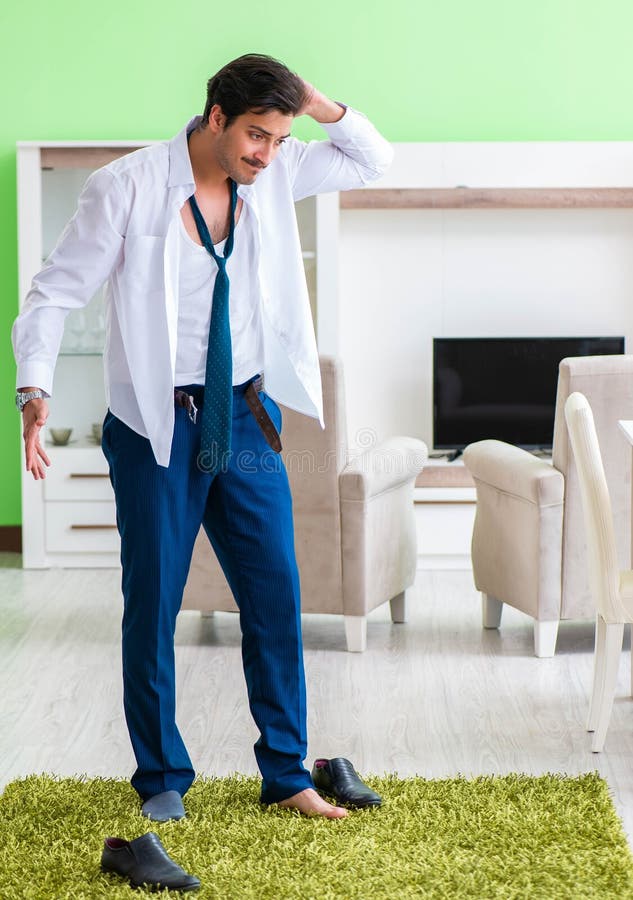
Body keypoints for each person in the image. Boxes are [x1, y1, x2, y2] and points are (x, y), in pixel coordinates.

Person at [12, 53, 393, 821]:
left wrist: (310, 101)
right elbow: (54, 292)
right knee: (152, 603)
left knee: (275, 595)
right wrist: (35, 384)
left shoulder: (276, 175)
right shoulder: (124, 187)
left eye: (279, 138)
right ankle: (160, 779)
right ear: (215, 117)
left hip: (247, 416)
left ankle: (286, 774)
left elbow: (372, 159)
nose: (266, 153)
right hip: (157, 425)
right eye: (256, 134)